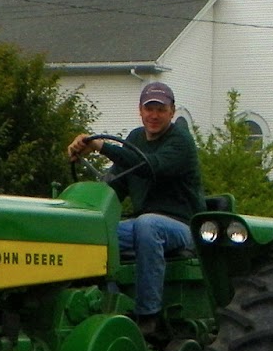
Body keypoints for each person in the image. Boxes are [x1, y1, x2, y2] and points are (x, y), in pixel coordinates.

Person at [67, 81, 204, 337]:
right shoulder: (135, 139)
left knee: (148, 224)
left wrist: (101, 147)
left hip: (183, 227)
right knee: (97, 232)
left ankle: (148, 316)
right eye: (149, 109)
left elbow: (150, 166)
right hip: (143, 226)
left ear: (172, 112)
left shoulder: (180, 141)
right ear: (140, 110)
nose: (154, 115)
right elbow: (116, 185)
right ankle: (107, 303)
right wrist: (88, 209)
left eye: (161, 110)